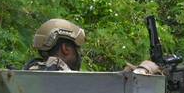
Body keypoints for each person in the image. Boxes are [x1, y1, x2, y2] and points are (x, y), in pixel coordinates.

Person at [23, 18, 162, 76]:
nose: (79, 54)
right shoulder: (61, 77)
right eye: (77, 49)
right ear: (65, 48)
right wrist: (143, 70)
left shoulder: (29, 72)